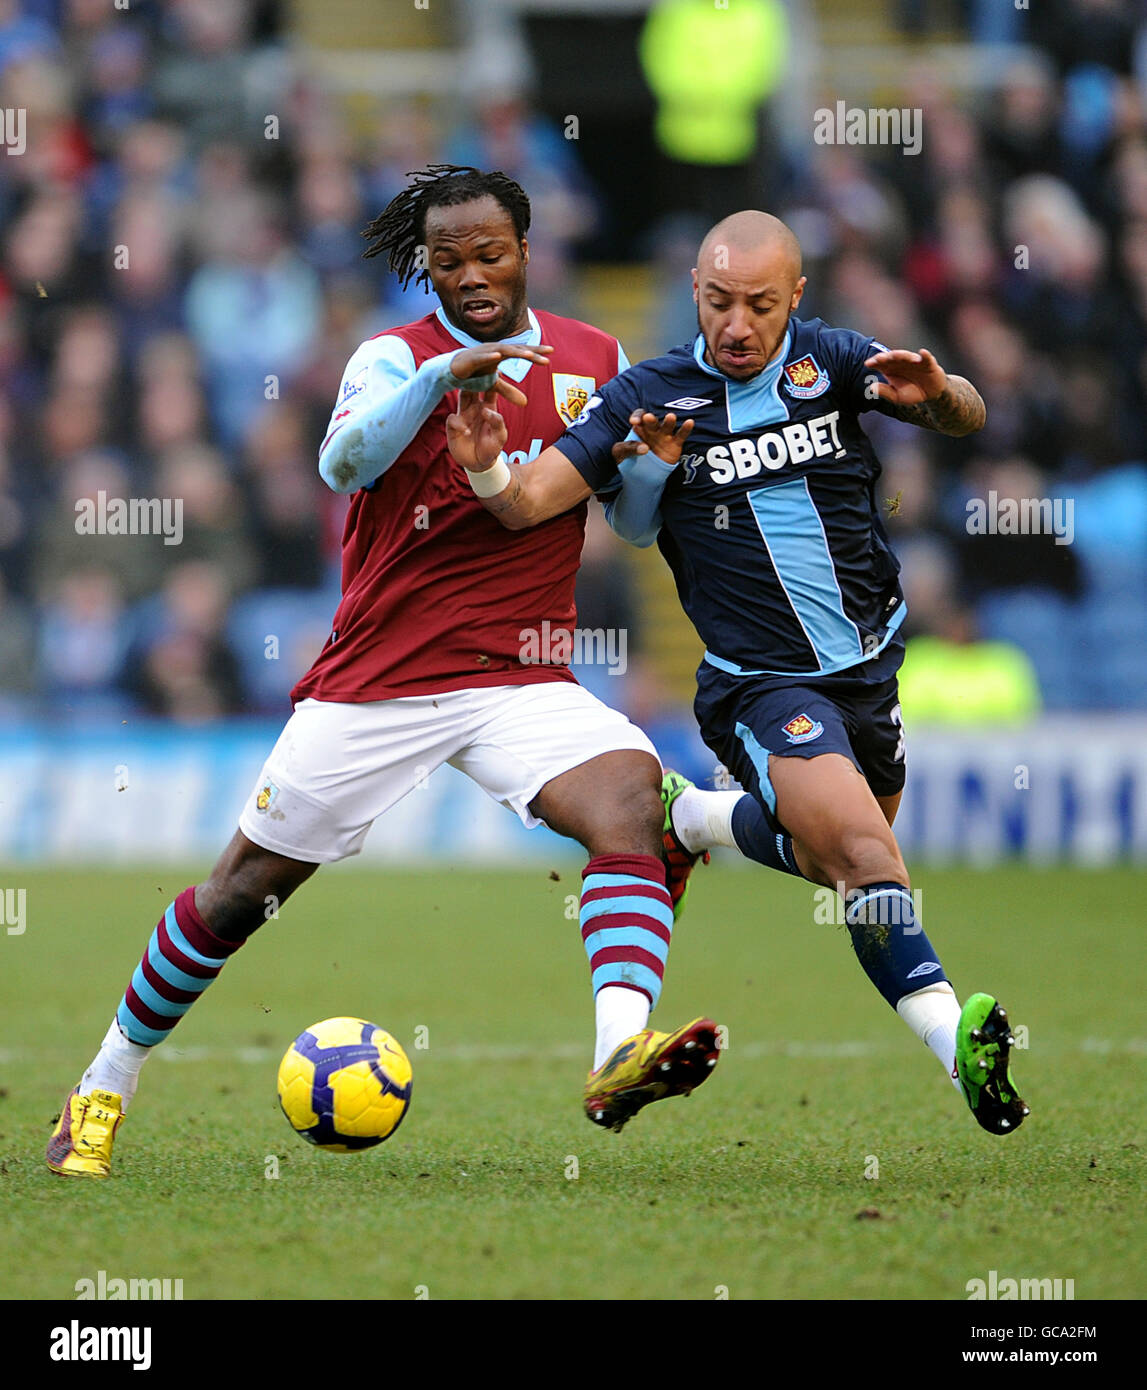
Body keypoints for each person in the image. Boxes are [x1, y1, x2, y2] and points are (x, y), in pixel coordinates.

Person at [47, 166, 724, 1179]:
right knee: (239, 893)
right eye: (447, 260)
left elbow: (624, 518)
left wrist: (659, 465)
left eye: (490, 252)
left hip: (524, 675)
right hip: (381, 677)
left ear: (525, 250)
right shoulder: (389, 357)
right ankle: (104, 1082)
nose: (473, 274)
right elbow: (341, 464)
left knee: (628, 804)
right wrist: (437, 381)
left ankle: (615, 1054)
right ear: (427, 269)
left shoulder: (594, 357)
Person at [444, 209, 1029, 1137]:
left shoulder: (833, 363)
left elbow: (969, 416)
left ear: (795, 297)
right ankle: (958, 1052)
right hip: (761, 688)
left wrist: (943, 391)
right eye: (719, 302)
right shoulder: (650, 395)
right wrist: (485, 477)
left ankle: (693, 819)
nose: (737, 326)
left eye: (760, 305)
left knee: (839, 856)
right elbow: (531, 503)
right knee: (870, 858)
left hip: (872, 674)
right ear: (694, 295)